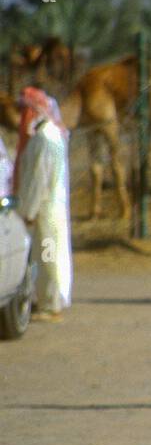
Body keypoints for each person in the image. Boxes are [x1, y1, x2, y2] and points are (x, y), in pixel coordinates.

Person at [14, 87, 72, 322]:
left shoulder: (44, 139)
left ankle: (51, 304)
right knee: (49, 255)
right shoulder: (52, 135)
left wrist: (27, 211)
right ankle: (50, 300)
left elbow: (38, 180)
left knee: (48, 256)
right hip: (51, 208)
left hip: (46, 210)